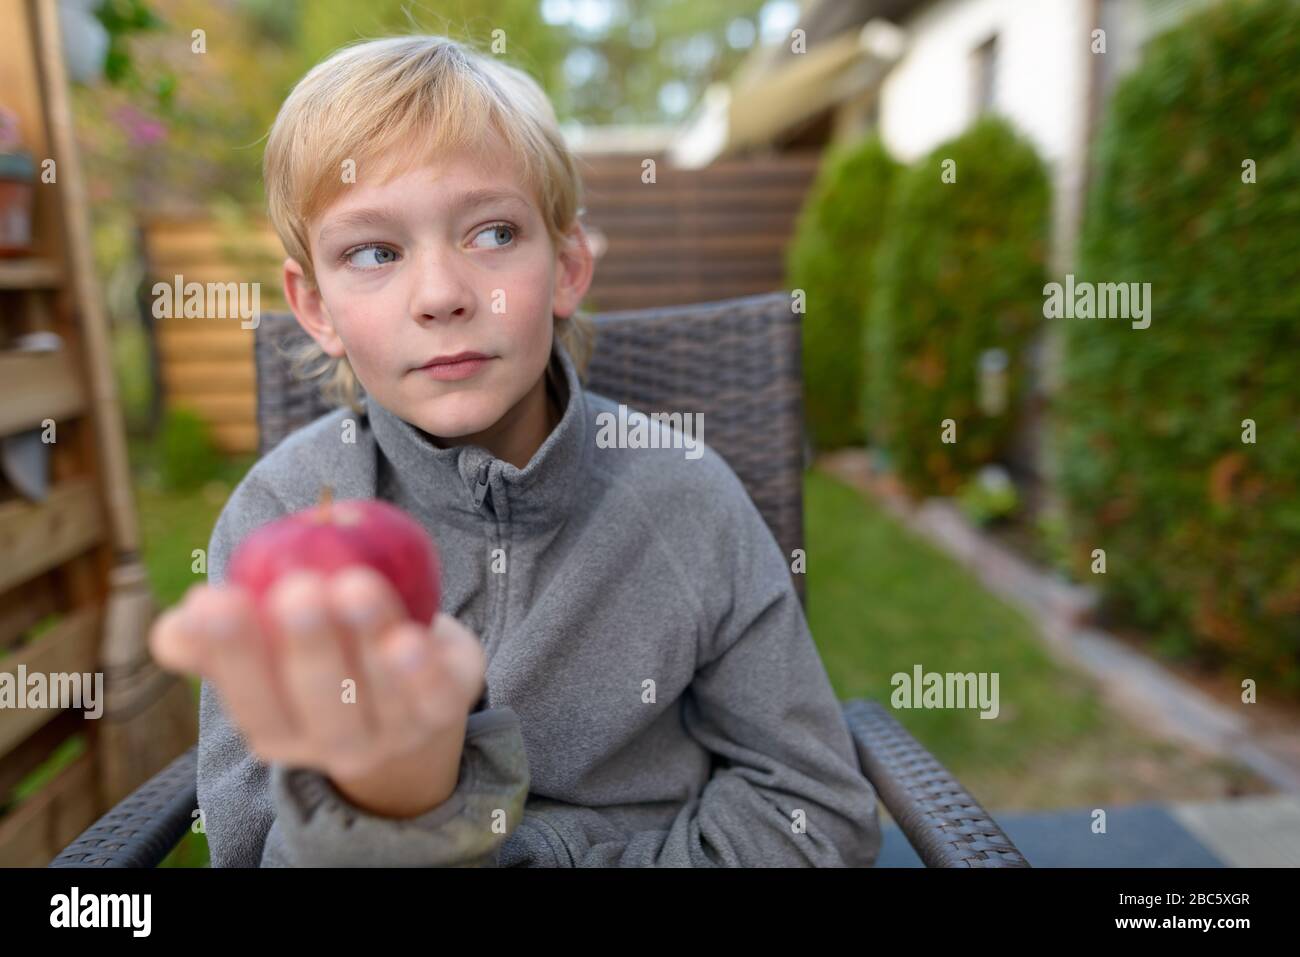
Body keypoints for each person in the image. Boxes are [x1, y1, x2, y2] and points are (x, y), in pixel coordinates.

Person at [149, 34, 882, 867]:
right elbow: (246, 853)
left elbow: (815, 812)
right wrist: (384, 801)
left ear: (567, 266)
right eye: (375, 252)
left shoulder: (687, 498)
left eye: (493, 233)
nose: (442, 295)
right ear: (315, 305)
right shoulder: (275, 517)